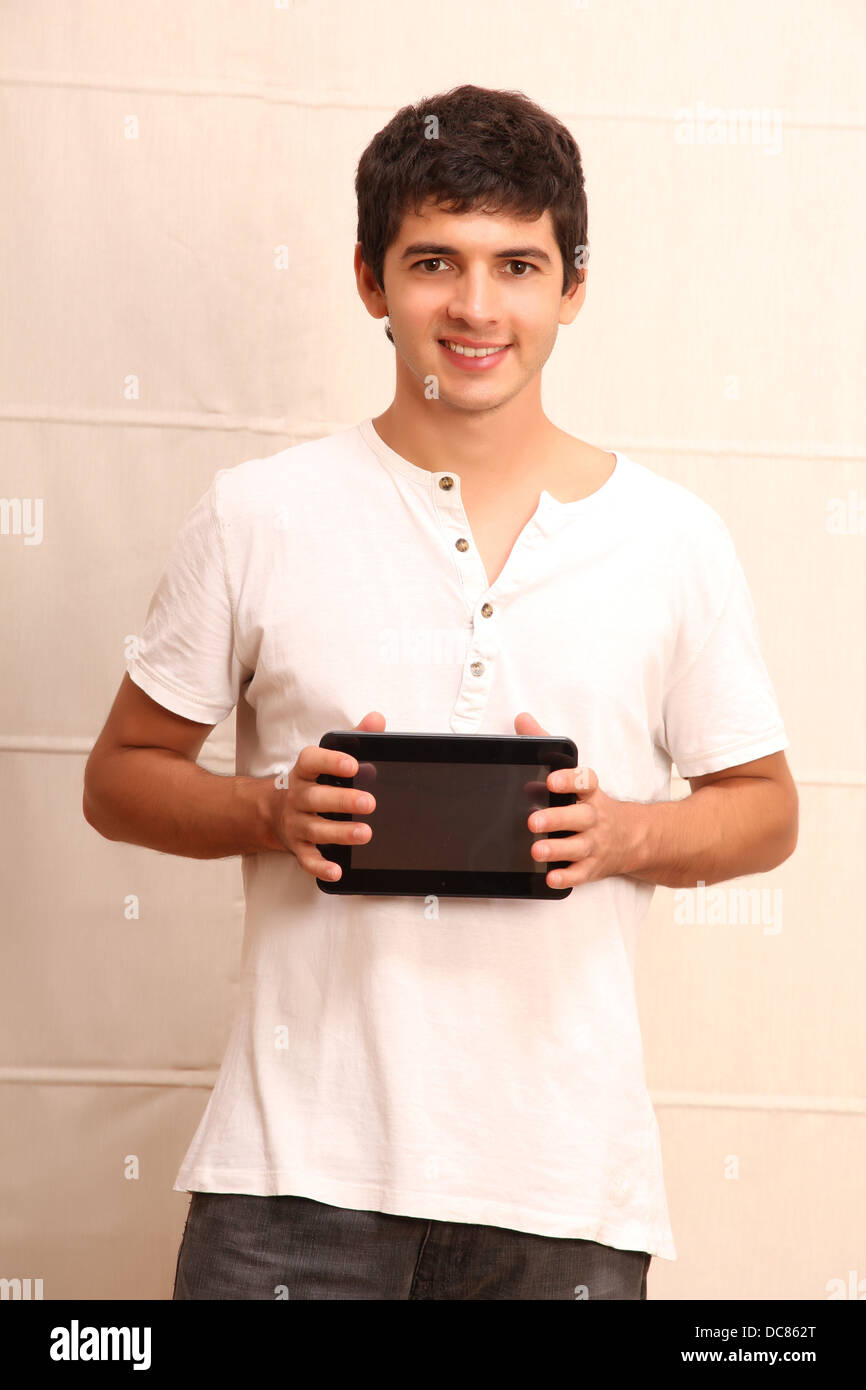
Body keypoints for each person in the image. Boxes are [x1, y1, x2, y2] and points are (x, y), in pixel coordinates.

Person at [82, 83, 798, 1300]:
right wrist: (269, 811)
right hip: (289, 1187)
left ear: (571, 286)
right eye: (433, 262)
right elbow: (118, 780)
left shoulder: (674, 541)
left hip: (564, 1194)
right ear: (371, 280)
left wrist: (627, 831)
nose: (475, 308)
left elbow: (765, 807)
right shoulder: (259, 514)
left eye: (516, 265)